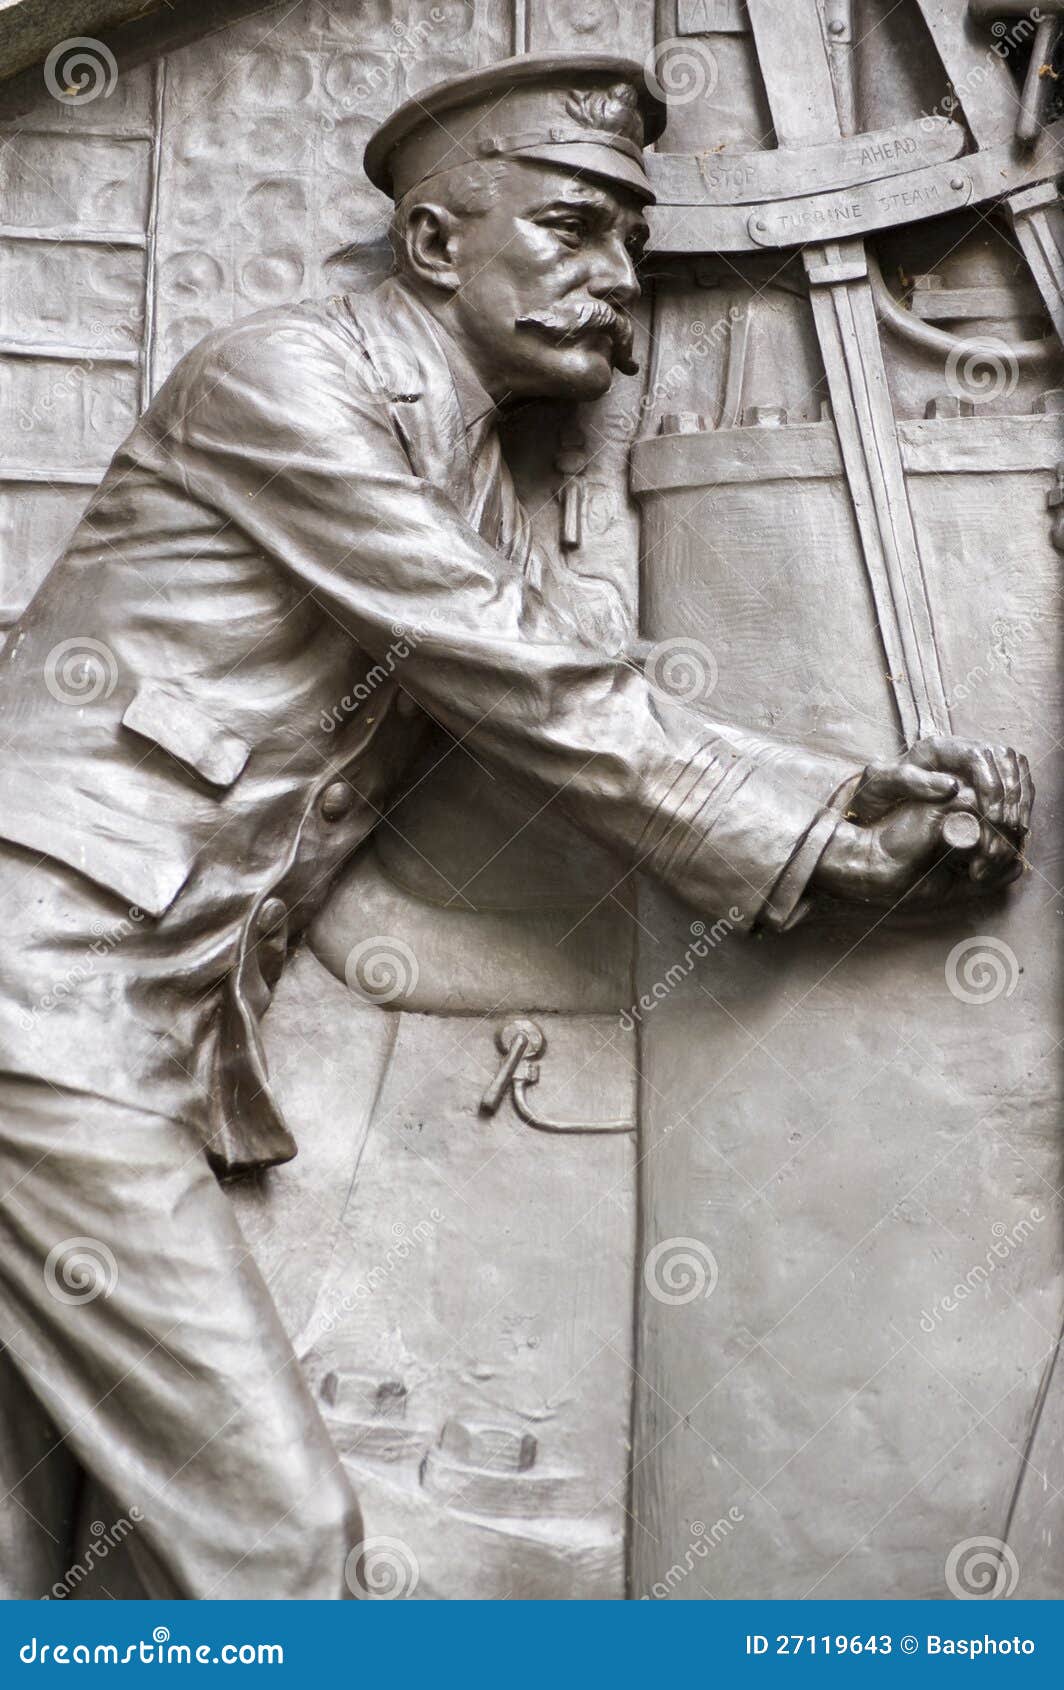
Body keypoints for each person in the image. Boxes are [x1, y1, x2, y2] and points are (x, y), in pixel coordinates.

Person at [0, 52, 1032, 1598]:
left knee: (42, 1569)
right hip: (46, 1014)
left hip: (107, 1026)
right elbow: (522, 672)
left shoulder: (467, 471)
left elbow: (565, 690)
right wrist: (817, 827)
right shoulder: (284, 382)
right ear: (433, 243)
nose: (617, 277)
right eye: (572, 226)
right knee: (277, 1544)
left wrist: (852, 801)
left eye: (632, 240)